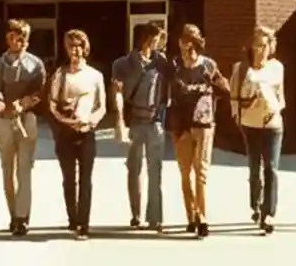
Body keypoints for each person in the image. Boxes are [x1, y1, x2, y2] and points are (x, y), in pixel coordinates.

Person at [0, 19, 46, 236]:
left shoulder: (36, 65)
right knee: (8, 169)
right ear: (7, 38)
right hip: (3, 120)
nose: (18, 41)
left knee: (25, 168)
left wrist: (24, 103)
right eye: (14, 36)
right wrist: (2, 107)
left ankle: (23, 216)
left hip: (27, 119)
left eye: (23, 37)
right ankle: (13, 215)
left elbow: (40, 93)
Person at [169, 24, 230, 238]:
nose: (189, 49)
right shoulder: (176, 67)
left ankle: (203, 218)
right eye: (186, 44)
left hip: (204, 124)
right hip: (182, 127)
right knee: (185, 171)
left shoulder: (208, 66)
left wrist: (211, 83)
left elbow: (225, 90)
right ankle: (191, 216)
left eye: (193, 44)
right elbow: (172, 98)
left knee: (201, 171)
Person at [112, 20, 173, 232]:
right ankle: (136, 214)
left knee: (155, 169)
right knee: (134, 169)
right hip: (134, 121)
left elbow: (169, 88)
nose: (159, 43)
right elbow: (118, 94)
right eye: (157, 39)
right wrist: (120, 121)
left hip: (155, 120)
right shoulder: (122, 64)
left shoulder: (162, 63)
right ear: (147, 38)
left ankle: (155, 217)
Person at [48, 29, 107, 240]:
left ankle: (84, 223)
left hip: (87, 132)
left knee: (85, 178)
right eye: (71, 46)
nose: (75, 50)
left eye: (79, 46)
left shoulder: (95, 76)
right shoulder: (59, 75)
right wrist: (65, 120)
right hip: (65, 132)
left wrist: (92, 121)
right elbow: (53, 104)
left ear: (85, 48)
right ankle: (72, 218)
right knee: (68, 178)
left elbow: (102, 106)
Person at [229, 26, 285, 235]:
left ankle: (268, 213)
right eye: (257, 45)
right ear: (251, 47)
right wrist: (237, 117)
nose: (260, 50)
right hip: (250, 124)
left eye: (264, 45)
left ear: (270, 47)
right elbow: (233, 97)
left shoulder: (277, 68)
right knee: (254, 167)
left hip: (272, 124)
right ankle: (256, 203)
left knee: (271, 168)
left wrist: (276, 110)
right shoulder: (241, 69)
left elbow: (281, 97)